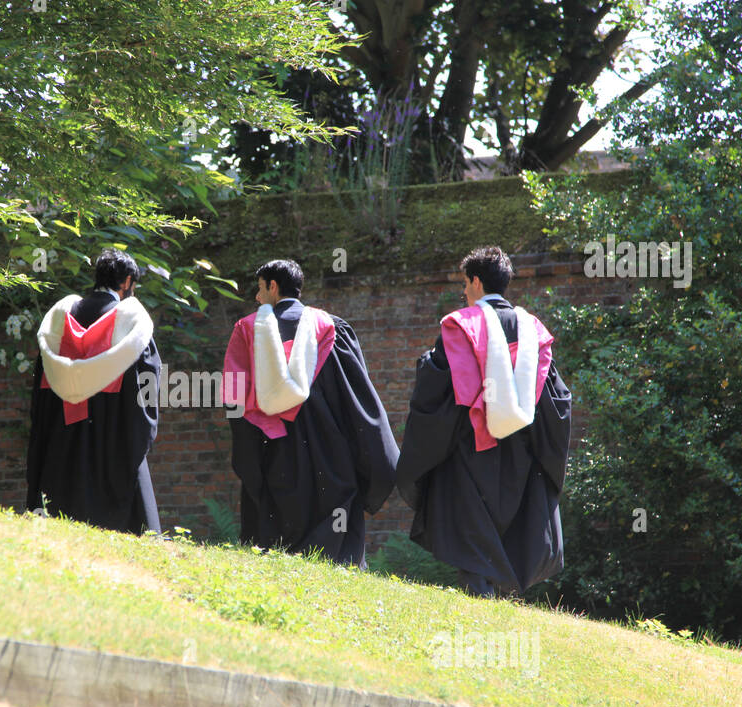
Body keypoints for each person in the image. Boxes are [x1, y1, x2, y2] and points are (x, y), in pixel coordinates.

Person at [395, 246, 572, 596]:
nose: (463, 292)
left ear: (476, 281)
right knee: (514, 518)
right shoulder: (534, 330)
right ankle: (502, 591)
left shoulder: (461, 325)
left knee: (471, 518)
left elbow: (440, 385)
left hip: (472, 446)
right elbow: (557, 396)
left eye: (465, 283)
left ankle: (478, 585)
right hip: (521, 447)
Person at [222, 259, 399, 568]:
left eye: (260, 289)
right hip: (329, 455)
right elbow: (355, 399)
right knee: (335, 547)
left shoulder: (247, 330)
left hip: (271, 451)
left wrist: (248, 457)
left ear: (273, 287)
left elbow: (234, 399)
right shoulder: (333, 328)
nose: (256, 298)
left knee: (275, 548)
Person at [25, 249, 161, 534]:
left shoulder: (58, 324)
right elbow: (145, 393)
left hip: (61, 446)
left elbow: (41, 395)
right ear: (126, 282)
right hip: (113, 445)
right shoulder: (132, 327)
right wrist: (139, 440)